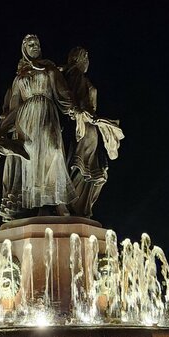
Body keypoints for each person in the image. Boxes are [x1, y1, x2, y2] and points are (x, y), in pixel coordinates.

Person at [0, 34, 80, 221]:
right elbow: (13, 108)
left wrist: (75, 110)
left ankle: (60, 201)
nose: (34, 46)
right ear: (24, 50)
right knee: (31, 159)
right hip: (25, 119)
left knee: (53, 151)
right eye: (30, 45)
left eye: (36, 44)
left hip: (47, 113)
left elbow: (63, 93)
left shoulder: (50, 69)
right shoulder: (19, 77)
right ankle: (39, 205)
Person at [60, 47, 124, 217]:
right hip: (84, 128)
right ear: (78, 59)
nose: (87, 61)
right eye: (85, 57)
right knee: (82, 167)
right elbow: (75, 103)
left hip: (87, 128)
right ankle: (74, 205)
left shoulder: (72, 77)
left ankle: (78, 207)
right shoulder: (76, 77)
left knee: (87, 168)